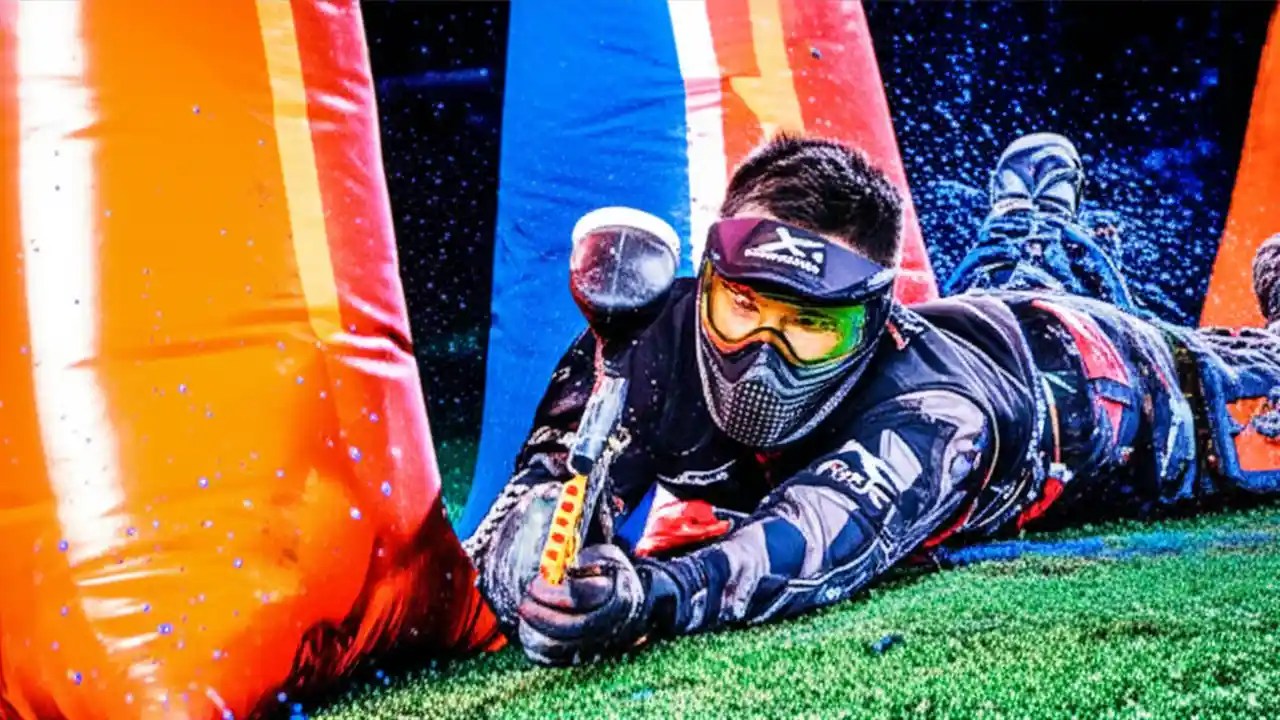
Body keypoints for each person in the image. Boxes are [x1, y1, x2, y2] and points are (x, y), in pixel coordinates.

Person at [463, 131, 1280, 666]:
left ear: (870, 325)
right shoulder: (649, 334)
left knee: (1241, 411)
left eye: (808, 325)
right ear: (709, 279)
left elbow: (811, 540)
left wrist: (652, 595)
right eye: (743, 306)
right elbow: (550, 485)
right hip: (963, 327)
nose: (761, 354)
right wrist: (538, 564)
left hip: (1083, 384)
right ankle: (1025, 228)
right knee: (996, 292)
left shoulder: (931, 417)